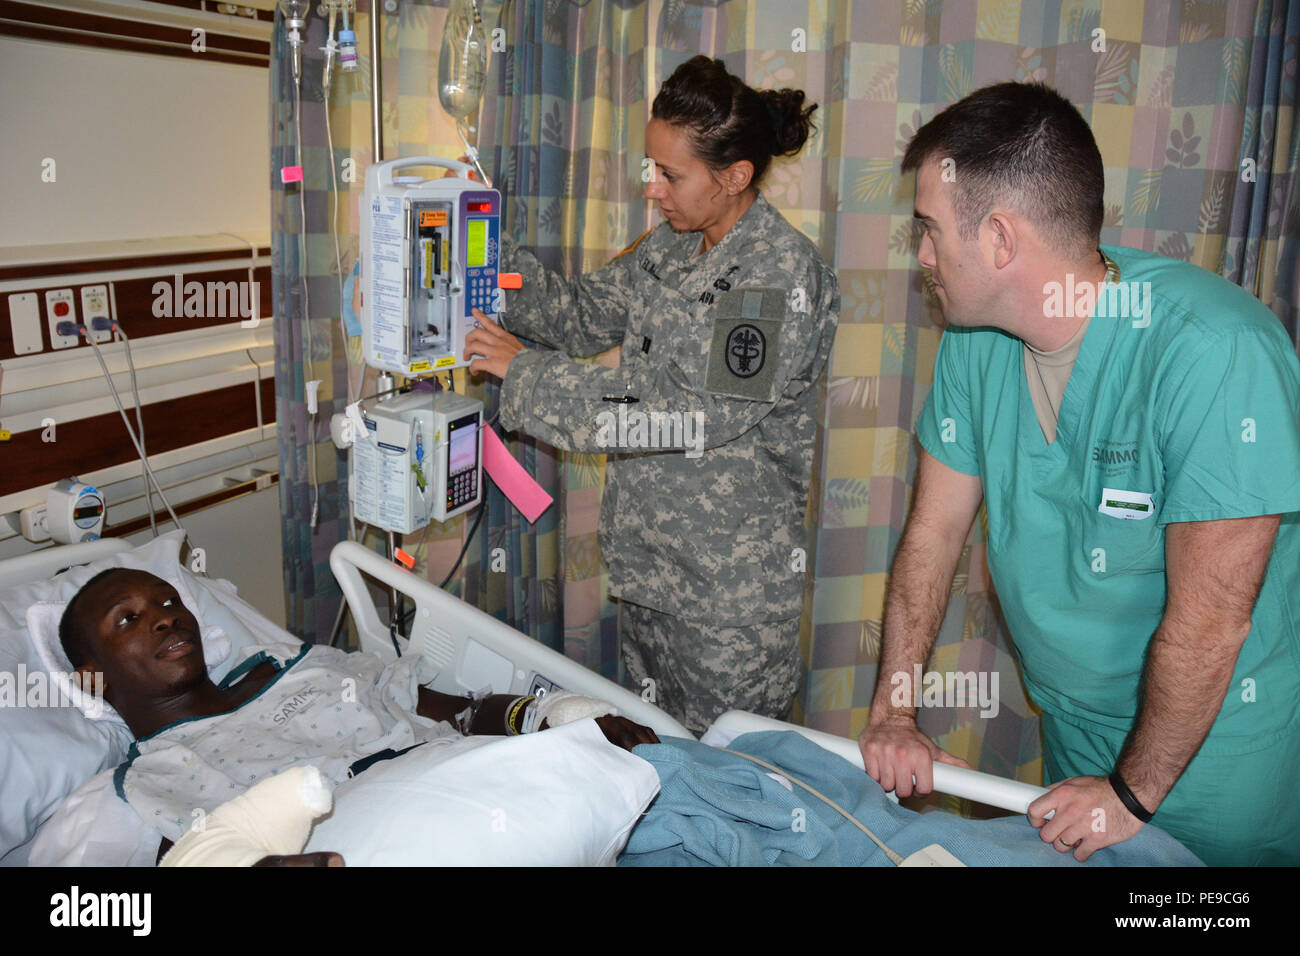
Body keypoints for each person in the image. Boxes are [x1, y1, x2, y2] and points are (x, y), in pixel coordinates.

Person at [858, 81, 1300, 866]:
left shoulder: (1215, 354)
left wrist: (1131, 794)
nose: (920, 254)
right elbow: (933, 533)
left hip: (1214, 752)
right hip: (1076, 736)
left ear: (998, 239)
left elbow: (1211, 623)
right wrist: (894, 712)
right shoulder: (976, 337)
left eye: (927, 229)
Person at [463, 55, 840, 736]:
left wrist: (527, 375)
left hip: (727, 601)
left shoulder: (776, 274)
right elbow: (576, 315)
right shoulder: (669, 248)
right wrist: (481, 250)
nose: (654, 189)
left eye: (670, 174)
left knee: (729, 783)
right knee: (655, 759)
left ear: (734, 177)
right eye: (652, 168)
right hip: (652, 572)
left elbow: (693, 411)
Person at [48, 567, 658, 865]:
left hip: (490, 777)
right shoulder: (153, 776)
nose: (165, 617)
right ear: (91, 677)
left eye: (169, 601)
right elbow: (204, 858)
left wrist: (561, 716)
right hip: (384, 844)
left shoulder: (303, 667)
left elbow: (465, 714)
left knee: (688, 778)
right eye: (127, 620)